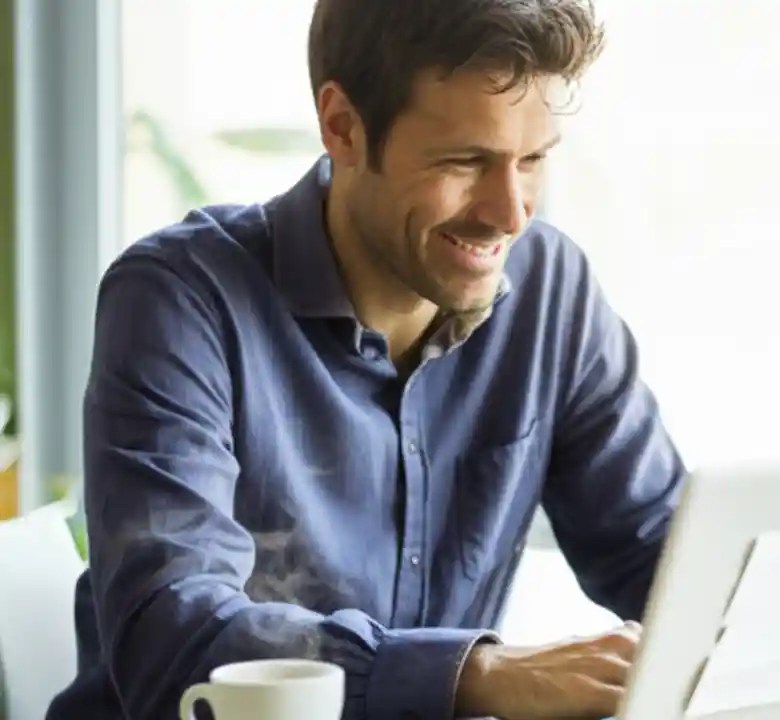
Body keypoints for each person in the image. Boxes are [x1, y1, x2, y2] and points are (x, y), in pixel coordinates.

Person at [47, 1, 685, 718]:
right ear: (343, 127)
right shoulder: (181, 300)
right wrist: (478, 675)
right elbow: (174, 638)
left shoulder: (550, 293)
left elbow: (669, 563)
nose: (510, 213)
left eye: (533, 159)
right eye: (465, 161)